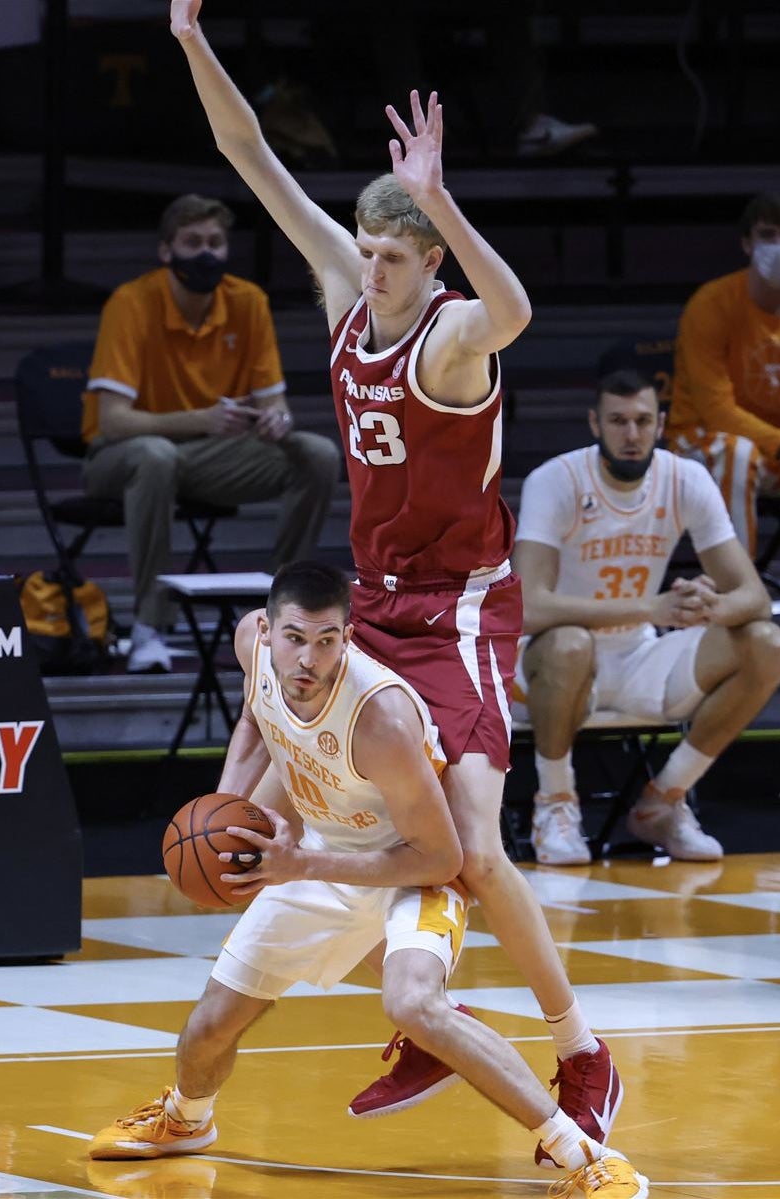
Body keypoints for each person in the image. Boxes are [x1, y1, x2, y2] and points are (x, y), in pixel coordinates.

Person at [169, 0, 625, 1167]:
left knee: (470, 845)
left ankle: (580, 1050)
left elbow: (516, 308)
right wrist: (188, 39)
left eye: (392, 255)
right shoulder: (343, 292)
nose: (369, 271)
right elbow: (247, 158)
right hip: (371, 595)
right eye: (363, 253)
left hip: (461, 602)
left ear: (428, 261)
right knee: (340, 784)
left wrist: (442, 201)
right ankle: (424, 1010)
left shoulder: (452, 337)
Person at [90, 562, 649, 1197]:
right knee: (209, 1025)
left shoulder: (379, 717)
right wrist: (222, 810)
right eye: (295, 638)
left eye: (327, 641)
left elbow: (441, 858)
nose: (308, 658)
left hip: (411, 868)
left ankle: (583, 1156)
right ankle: (186, 1120)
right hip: (326, 852)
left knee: (411, 1002)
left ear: (348, 638)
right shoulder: (254, 649)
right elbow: (254, 718)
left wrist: (303, 864)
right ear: (266, 631)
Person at [513, 369, 780, 866]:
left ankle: (663, 802)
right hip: (554, 664)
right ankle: (554, 804)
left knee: (767, 643)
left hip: (641, 655)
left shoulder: (685, 478)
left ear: (660, 424)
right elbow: (529, 607)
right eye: (618, 421)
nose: (632, 434)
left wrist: (704, 607)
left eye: (642, 420)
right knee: (570, 643)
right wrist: (653, 606)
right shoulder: (555, 480)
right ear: (595, 424)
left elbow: (753, 596)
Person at [81, 192, 340, 673]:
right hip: (119, 458)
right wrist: (201, 419)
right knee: (155, 456)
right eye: (192, 241)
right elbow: (113, 421)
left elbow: (273, 399)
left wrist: (276, 419)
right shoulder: (132, 303)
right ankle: (148, 627)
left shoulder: (247, 301)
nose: (205, 253)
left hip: (210, 457)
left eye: (215, 242)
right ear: (166, 250)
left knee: (317, 453)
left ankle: (283, 612)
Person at [667, 191, 780, 555]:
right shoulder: (711, 304)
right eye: (767, 235)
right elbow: (717, 411)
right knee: (739, 452)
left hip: (776, 445)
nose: (778, 246)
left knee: (752, 450)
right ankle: (738, 595)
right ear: (747, 243)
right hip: (698, 442)